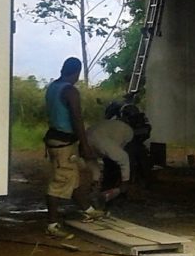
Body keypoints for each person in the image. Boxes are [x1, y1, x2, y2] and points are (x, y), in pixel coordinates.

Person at [43, 56, 100, 239]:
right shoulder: (70, 91)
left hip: (54, 139)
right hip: (64, 143)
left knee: (72, 177)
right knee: (59, 182)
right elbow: (77, 119)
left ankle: (88, 210)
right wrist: (85, 145)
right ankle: (52, 225)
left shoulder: (53, 87)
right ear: (76, 72)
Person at [89, 102, 136, 211]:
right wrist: (95, 183)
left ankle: (120, 193)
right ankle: (107, 196)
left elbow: (124, 158)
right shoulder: (88, 147)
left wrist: (125, 182)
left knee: (119, 166)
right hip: (108, 137)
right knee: (110, 169)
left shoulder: (101, 144)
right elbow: (93, 166)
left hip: (124, 136)